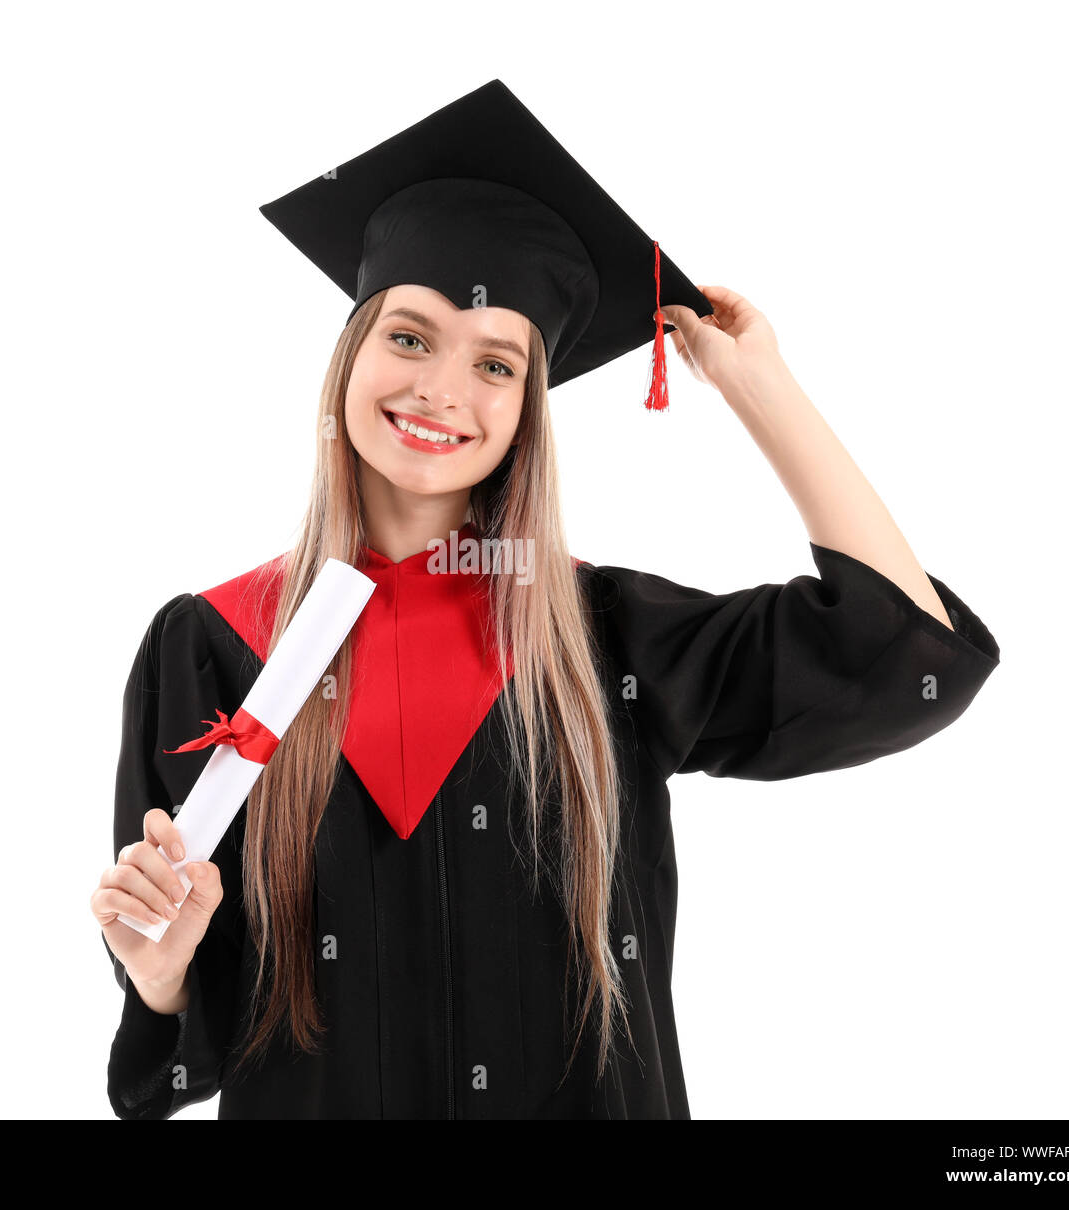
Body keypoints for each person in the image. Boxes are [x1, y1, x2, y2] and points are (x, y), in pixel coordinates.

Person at [90, 80, 1000, 1120]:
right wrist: (158, 969)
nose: (440, 389)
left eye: (495, 363)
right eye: (410, 337)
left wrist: (761, 387)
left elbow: (901, 655)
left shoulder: (609, 637)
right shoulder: (213, 644)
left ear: (528, 408)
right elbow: (191, 1029)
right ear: (350, 355)